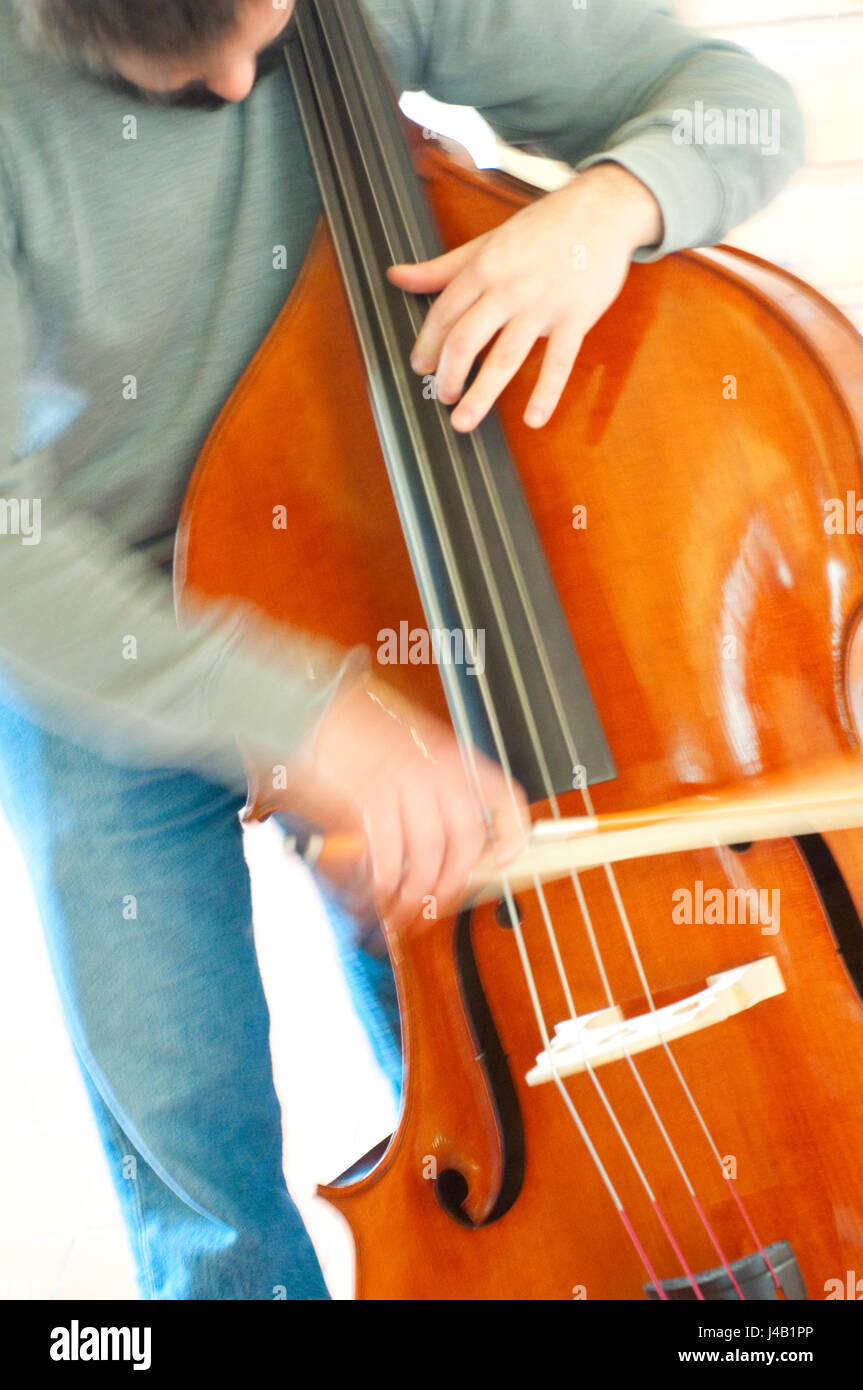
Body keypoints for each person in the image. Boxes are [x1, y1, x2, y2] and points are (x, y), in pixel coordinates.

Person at [0, 0, 804, 1299]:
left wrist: (608, 208)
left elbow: (733, 99)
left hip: (378, 564)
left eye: (270, 29)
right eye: (177, 66)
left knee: (477, 1051)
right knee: (187, 1127)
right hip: (96, 612)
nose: (243, 80)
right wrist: (305, 721)